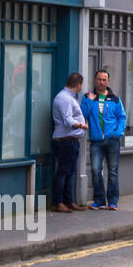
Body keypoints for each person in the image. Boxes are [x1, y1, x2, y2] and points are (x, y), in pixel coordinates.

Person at [82, 69, 127, 211]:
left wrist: (118, 133)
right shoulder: (88, 97)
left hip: (112, 140)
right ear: (95, 80)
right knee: (95, 170)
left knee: (113, 171)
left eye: (104, 80)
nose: (101, 82)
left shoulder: (114, 99)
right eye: (99, 79)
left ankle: (113, 201)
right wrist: (89, 101)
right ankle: (99, 200)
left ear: (108, 81)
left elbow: (122, 117)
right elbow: (83, 114)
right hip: (96, 141)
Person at [49, 73, 89, 213]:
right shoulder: (65, 98)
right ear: (78, 85)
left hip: (71, 141)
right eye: (81, 85)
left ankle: (68, 201)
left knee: (70, 172)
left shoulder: (70, 97)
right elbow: (67, 120)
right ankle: (58, 202)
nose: (81, 87)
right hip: (66, 141)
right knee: (63, 172)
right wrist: (81, 125)